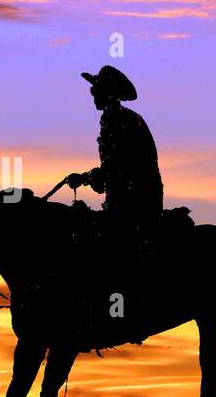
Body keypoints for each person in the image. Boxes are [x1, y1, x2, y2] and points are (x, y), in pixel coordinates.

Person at [65, 66, 164, 260]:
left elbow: (117, 166)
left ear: (103, 94)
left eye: (95, 92)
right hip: (147, 197)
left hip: (130, 202)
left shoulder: (111, 118)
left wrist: (85, 178)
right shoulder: (132, 117)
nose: (93, 97)